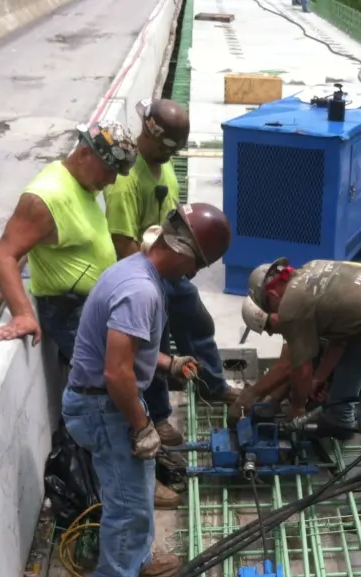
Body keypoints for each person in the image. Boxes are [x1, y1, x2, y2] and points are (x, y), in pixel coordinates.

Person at [61, 203, 232, 577]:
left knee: (135, 490)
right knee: (128, 501)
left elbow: (125, 350)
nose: (191, 276)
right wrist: (142, 427)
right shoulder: (141, 292)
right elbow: (117, 372)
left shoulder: (133, 270)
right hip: (105, 405)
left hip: (104, 399)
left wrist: (167, 363)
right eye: (196, 266)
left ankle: (138, 560)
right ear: (183, 251)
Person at [104, 98, 242, 450]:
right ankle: (159, 416)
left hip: (170, 268)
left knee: (197, 320)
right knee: (154, 344)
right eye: (169, 149)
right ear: (151, 135)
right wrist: (151, 284)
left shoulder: (161, 166)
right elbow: (123, 241)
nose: (171, 156)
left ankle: (213, 385)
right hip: (146, 270)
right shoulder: (126, 182)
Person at [240, 260, 361, 518]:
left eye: (267, 307)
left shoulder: (291, 307)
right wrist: (319, 379)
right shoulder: (312, 270)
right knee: (353, 353)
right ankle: (339, 421)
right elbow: (341, 339)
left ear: (272, 295)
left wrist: (297, 406)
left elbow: (299, 369)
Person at [0, 121, 137, 358]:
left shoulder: (81, 182)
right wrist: (22, 314)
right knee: (103, 380)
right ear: (84, 153)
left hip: (92, 305)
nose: (111, 181)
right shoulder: (46, 197)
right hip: (70, 311)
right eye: (109, 170)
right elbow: (4, 255)